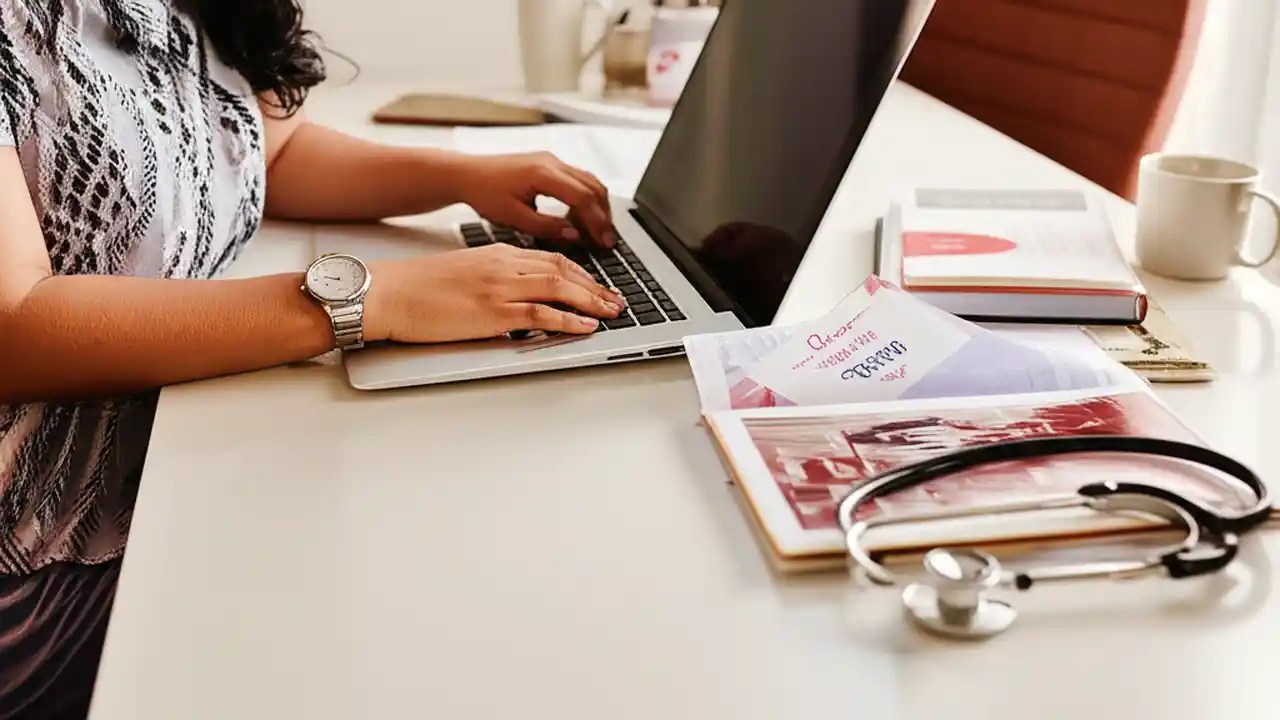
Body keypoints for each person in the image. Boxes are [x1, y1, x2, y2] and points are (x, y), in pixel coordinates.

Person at [0, 1, 624, 716]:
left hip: (184, 477)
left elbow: (269, 152)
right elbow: (12, 327)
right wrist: (365, 299)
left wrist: (460, 177)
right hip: (42, 587)